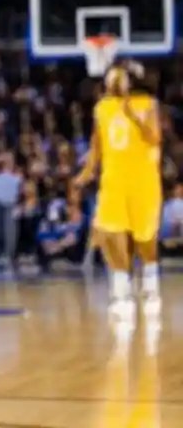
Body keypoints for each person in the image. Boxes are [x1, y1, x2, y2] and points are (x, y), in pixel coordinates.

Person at [74, 61, 163, 322]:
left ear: (130, 80)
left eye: (118, 75)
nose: (112, 78)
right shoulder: (102, 108)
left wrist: (132, 115)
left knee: (145, 239)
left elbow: (154, 138)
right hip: (113, 181)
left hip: (143, 181)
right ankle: (121, 290)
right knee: (111, 233)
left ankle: (150, 284)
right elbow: (97, 144)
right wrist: (87, 171)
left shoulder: (147, 104)